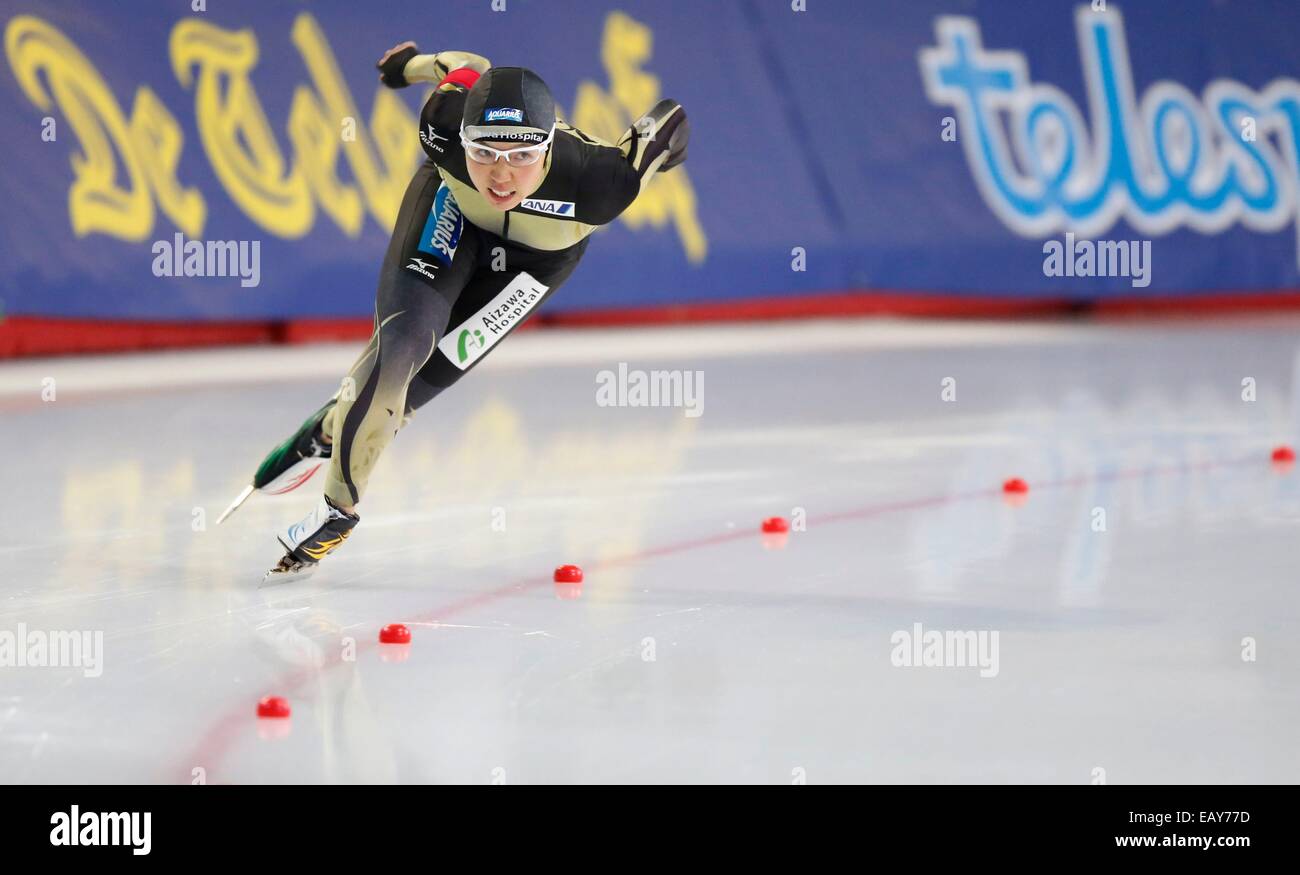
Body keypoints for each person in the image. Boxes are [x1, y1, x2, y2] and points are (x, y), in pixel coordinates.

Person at [216, 42, 690, 581]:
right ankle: (336, 512)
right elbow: (464, 68)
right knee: (401, 352)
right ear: (461, 136)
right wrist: (406, 67)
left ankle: (330, 430)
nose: (501, 175)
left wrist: (666, 142)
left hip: (535, 263)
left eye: (521, 155)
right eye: (484, 151)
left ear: (550, 148)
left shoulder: (602, 183)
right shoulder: (441, 122)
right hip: (452, 217)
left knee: (409, 396)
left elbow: (666, 124)